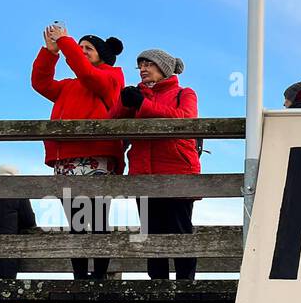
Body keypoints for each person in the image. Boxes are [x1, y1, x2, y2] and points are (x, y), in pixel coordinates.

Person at [32, 24, 126, 280]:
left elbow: (86, 73)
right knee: (75, 223)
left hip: (95, 158)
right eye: (79, 47)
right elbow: (40, 83)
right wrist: (50, 52)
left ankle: (99, 277)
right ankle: (80, 277)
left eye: (88, 48)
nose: (81, 51)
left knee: (97, 221)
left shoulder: (111, 76)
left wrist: (66, 41)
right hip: (67, 160)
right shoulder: (69, 86)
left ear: (102, 54)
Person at [110, 48, 201, 281]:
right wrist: (125, 100)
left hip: (177, 171)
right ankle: (157, 284)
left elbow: (184, 118)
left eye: (148, 64)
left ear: (163, 68)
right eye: (140, 65)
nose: (142, 69)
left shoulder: (185, 93)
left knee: (180, 230)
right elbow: (112, 120)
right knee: (151, 232)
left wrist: (143, 104)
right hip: (143, 173)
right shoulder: (137, 95)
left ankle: (186, 283)